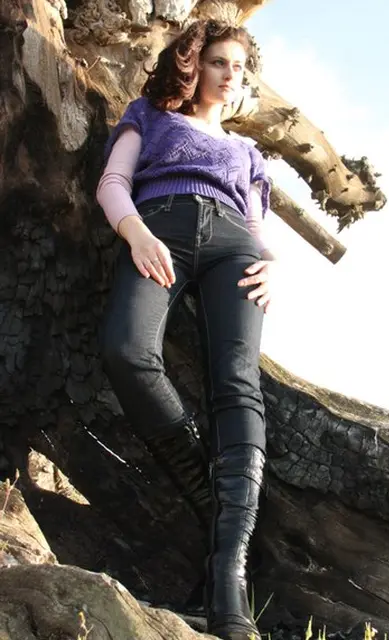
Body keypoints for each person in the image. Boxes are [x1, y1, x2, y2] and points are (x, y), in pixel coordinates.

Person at [96, 18, 275, 640]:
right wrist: (137, 234)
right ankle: (212, 503)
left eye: (239, 68)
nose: (230, 75)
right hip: (159, 228)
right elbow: (113, 183)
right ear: (193, 64)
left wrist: (272, 266)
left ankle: (229, 576)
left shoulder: (247, 152)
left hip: (233, 248)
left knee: (237, 385)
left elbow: (255, 227)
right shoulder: (148, 115)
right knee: (126, 350)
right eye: (220, 61)